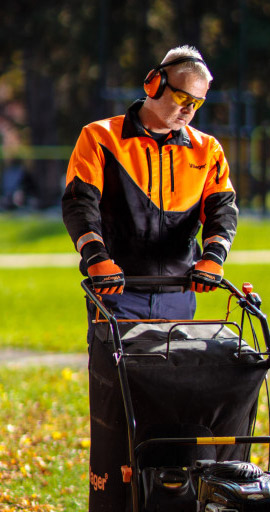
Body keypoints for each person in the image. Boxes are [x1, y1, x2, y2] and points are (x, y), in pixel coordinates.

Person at [62, 44, 238, 322]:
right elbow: (79, 204)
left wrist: (214, 256)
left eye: (197, 102)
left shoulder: (207, 149)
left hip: (178, 292)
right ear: (155, 83)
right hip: (116, 289)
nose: (188, 109)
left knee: (176, 364)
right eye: (182, 97)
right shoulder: (100, 138)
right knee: (116, 365)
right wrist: (96, 257)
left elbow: (222, 210)